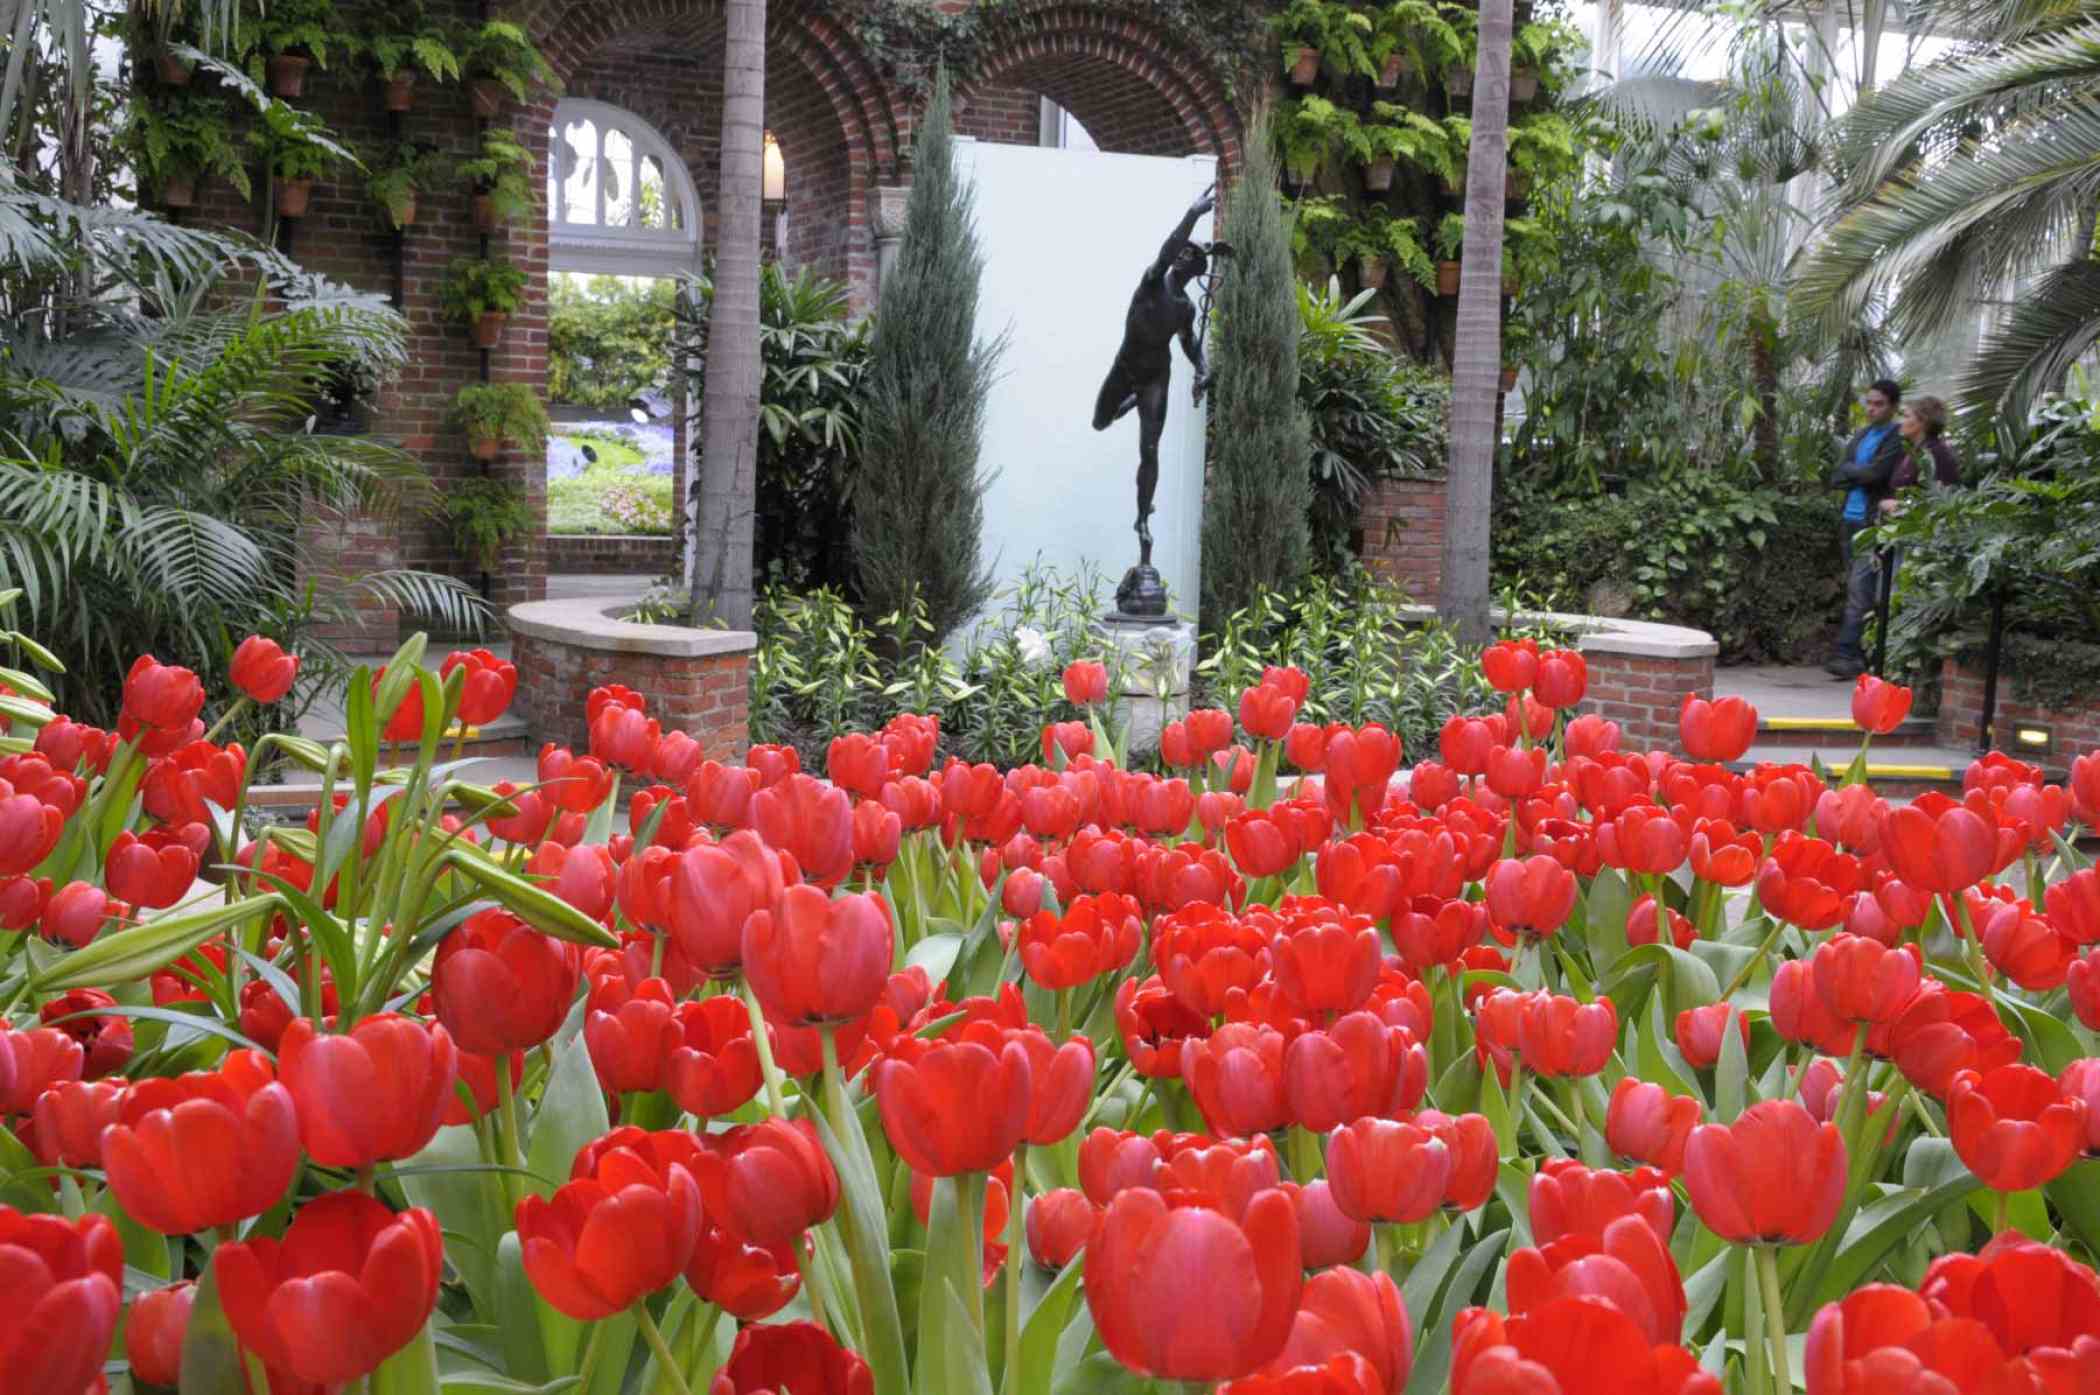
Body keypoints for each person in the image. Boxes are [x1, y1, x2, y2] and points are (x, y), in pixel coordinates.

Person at [1092, 186, 1219, 565]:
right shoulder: (1151, 282)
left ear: (1196, 270)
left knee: (1150, 448)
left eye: (1190, 258)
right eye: (1181, 253)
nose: (1181, 258)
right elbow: (1165, 249)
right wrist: (1192, 214)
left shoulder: (1184, 307)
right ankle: (1126, 403)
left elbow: (1188, 342)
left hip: (1154, 377)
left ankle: (1142, 517)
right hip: (1125, 367)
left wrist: (1203, 367)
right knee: (1100, 422)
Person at [1824, 378, 1907, 679]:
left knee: (1864, 590)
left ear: (1893, 406)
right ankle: (1860, 655)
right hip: (1850, 518)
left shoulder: (1897, 437)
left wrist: (1853, 472)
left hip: (1874, 522)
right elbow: (1837, 476)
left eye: (1879, 404)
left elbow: (1876, 475)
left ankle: (1849, 655)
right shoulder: (1861, 435)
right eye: (1869, 403)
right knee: (1859, 588)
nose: (1871, 409)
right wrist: (1854, 473)